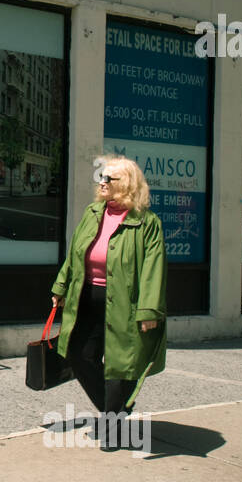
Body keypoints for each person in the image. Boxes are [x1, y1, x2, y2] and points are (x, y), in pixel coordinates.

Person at [50, 156, 167, 451]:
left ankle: (114, 427)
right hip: (87, 298)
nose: (101, 182)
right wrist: (61, 286)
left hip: (126, 305)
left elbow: (154, 270)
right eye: (101, 177)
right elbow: (75, 253)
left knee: (119, 365)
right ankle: (115, 411)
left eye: (108, 178)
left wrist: (148, 310)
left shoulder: (147, 223)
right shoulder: (92, 213)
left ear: (125, 184)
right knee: (78, 355)